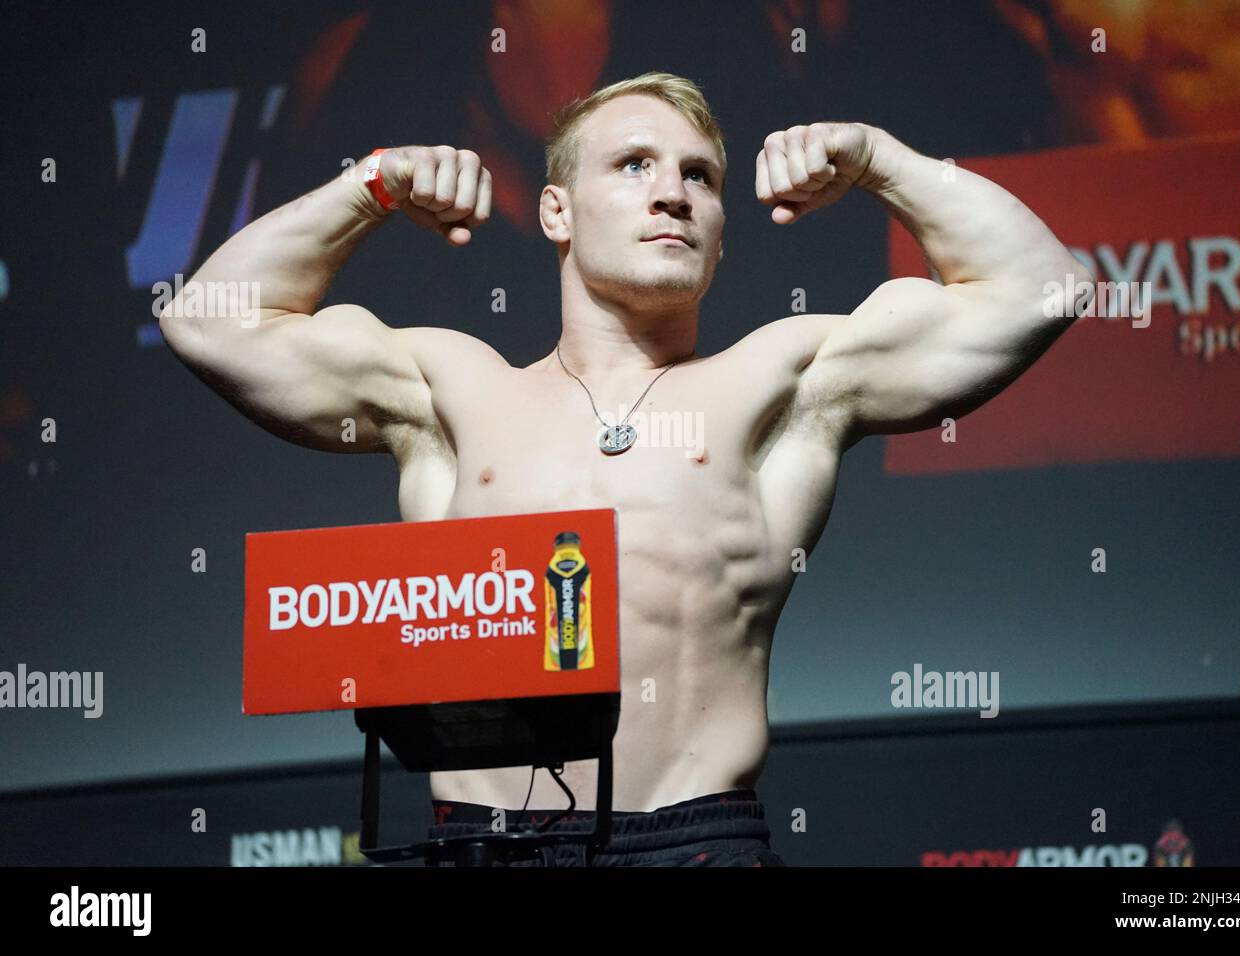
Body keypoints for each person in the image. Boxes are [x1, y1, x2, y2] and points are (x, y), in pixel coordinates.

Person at [159, 71, 1091, 866]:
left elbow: (1042, 287)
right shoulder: (450, 392)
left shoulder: (783, 380)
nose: (672, 193)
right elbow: (208, 323)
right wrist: (371, 187)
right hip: (484, 842)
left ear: (722, 232)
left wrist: (880, 159)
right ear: (556, 211)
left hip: (693, 843)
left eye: (699, 176)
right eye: (634, 165)